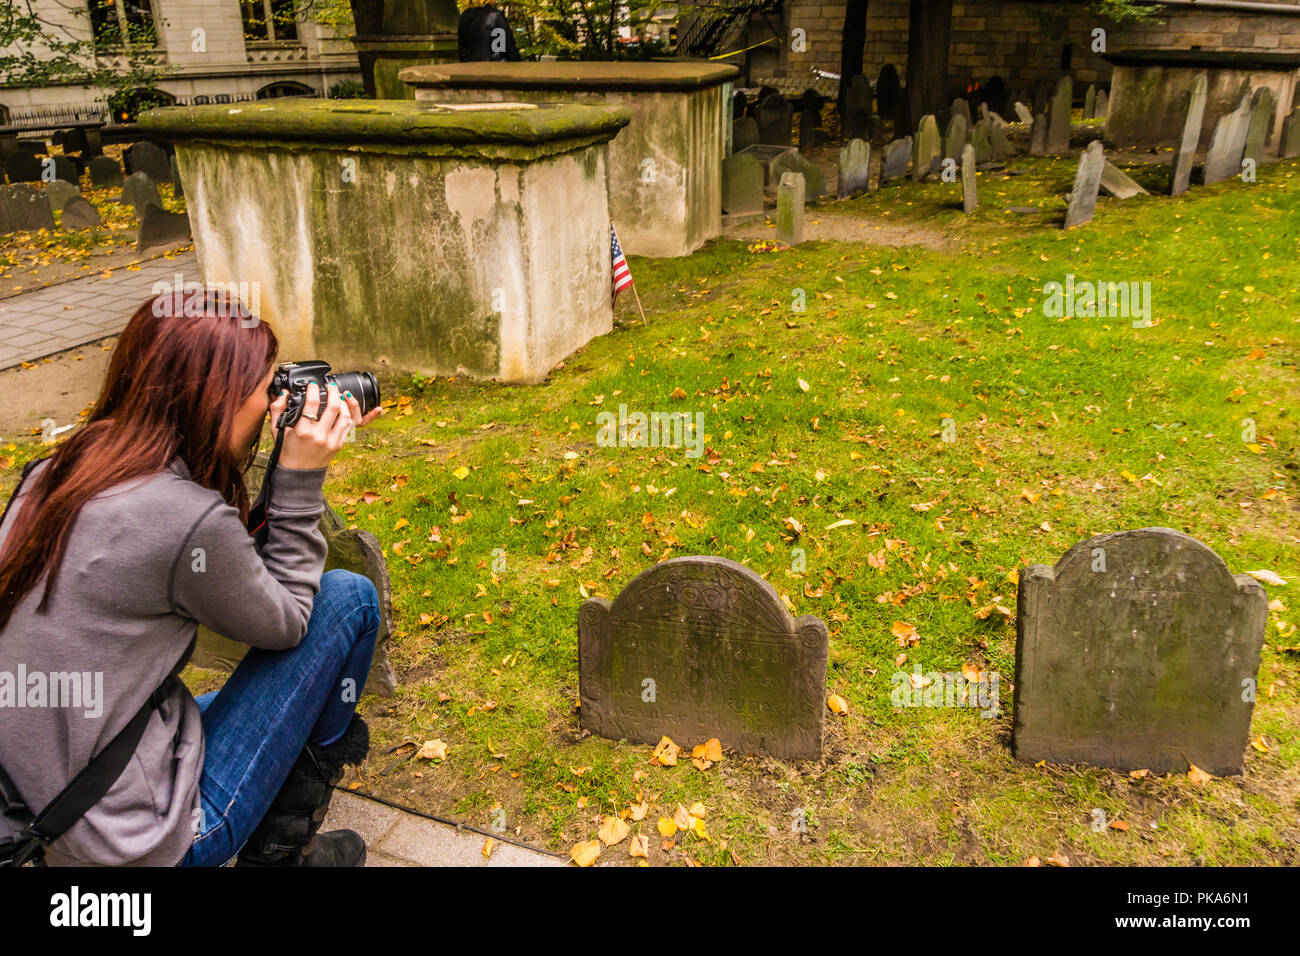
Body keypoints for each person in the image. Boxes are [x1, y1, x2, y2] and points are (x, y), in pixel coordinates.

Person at [0, 291, 383, 867]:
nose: (274, 404)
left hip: (36, 807)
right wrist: (302, 478)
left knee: (237, 697)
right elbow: (285, 622)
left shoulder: (56, 472)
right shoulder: (185, 518)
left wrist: (274, 458)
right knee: (347, 601)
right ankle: (281, 852)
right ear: (217, 400)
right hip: (134, 843)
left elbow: (216, 568)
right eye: (265, 390)